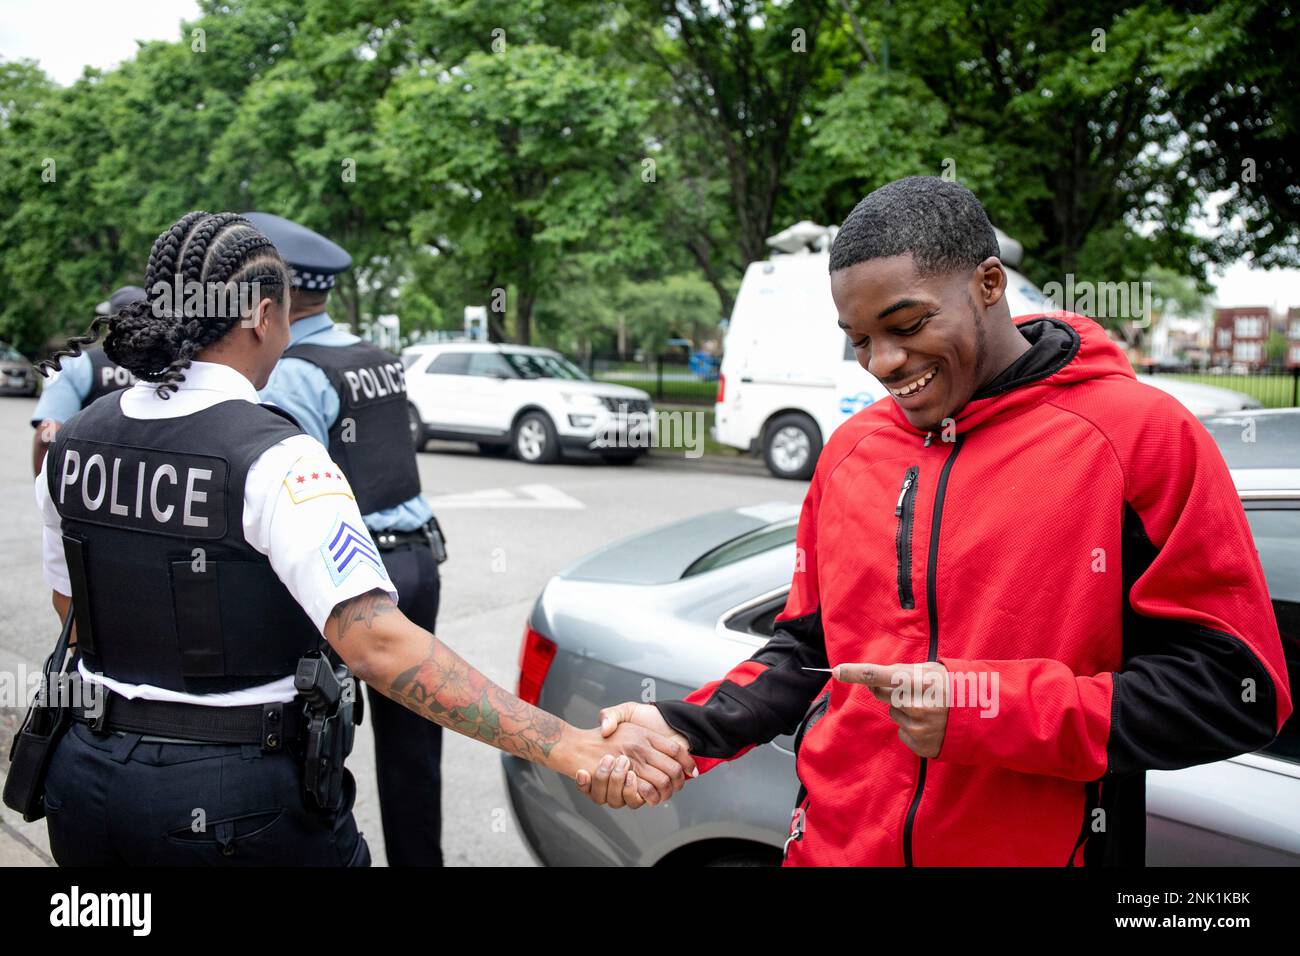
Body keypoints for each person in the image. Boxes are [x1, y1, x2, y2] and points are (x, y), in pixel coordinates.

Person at [585, 176, 1293, 865]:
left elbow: (1237, 691)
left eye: (906, 325)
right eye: (857, 338)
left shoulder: (1140, 438)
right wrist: (683, 727)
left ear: (990, 285)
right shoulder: (850, 452)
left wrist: (987, 709)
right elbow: (808, 650)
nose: (883, 363)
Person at [34, 211, 692, 866]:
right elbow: (380, 647)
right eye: (288, 315)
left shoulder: (76, 440)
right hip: (235, 810)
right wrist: (569, 746)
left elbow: (75, 610)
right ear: (262, 317)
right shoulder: (276, 456)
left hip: (84, 786)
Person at [244, 211, 448, 867]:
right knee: (412, 746)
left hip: (356, 576)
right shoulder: (373, 356)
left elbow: (284, 481)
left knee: (317, 734)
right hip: (419, 559)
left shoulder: (293, 372)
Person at [30, 285, 145, 475]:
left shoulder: (79, 366)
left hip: (89, 487)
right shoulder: (173, 369)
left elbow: (46, 436)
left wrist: (48, 494)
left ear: (109, 323)